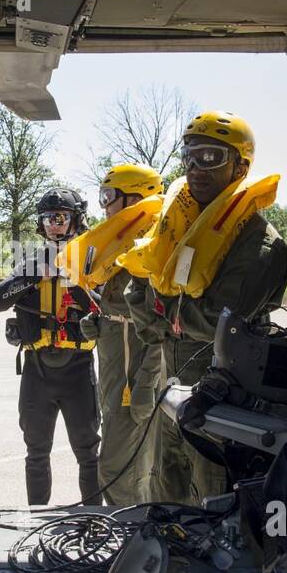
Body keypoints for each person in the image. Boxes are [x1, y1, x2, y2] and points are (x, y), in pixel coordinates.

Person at [124, 111, 287, 505]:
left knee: (215, 509)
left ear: (241, 167)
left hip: (223, 408)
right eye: (190, 156)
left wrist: (166, 312)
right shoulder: (173, 231)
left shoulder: (260, 245)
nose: (197, 168)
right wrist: (172, 316)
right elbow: (139, 301)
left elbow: (219, 323)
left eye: (212, 157)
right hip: (172, 397)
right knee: (161, 503)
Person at [0, 188, 101, 505]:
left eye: (61, 217)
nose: (53, 224)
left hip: (78, 368)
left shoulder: (91, 260)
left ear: (76, 220)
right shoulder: (32, 261)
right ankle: (37, 519)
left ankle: (94, 523)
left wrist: (71, 277)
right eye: (47, 218)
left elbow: (104, 309)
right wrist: (37, 274)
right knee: (36, 452)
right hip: (37, 369)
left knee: (88, 452)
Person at [77, 164, 165, 507]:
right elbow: (122, 311)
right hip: (116, 370)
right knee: (124, 461)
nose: (105, 206)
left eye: (109, 197)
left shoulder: (152, 253)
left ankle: (128, 539)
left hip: (135, 380)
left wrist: (148, 382)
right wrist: (101, 324)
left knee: (118, 466)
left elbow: (161, 326)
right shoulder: (121, 250)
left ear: (136, 199)